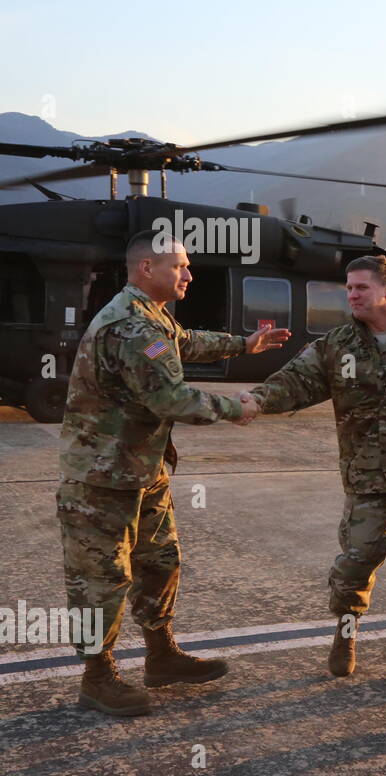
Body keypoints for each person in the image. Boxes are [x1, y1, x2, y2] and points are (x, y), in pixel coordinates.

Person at [59, 229, 286, 716]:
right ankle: (97, 678)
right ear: (146, 269)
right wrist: (235, 408)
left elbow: (184, 343)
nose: (188, 274)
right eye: (179, 266)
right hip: (103, 478)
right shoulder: (130, 328)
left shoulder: (150, 317)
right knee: (101, 579)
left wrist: (244, 345)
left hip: (141, 470)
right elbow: (171, 399)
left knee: (161, 562)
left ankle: (161, 657)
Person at [245, 255, 386, 692]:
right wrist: (252, 402)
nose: (351, 295)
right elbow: (292, 383)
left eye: (360, 288)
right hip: (366, 475)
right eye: (348, 288)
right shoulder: (338, 344)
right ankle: (345, 635)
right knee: (357, 559)